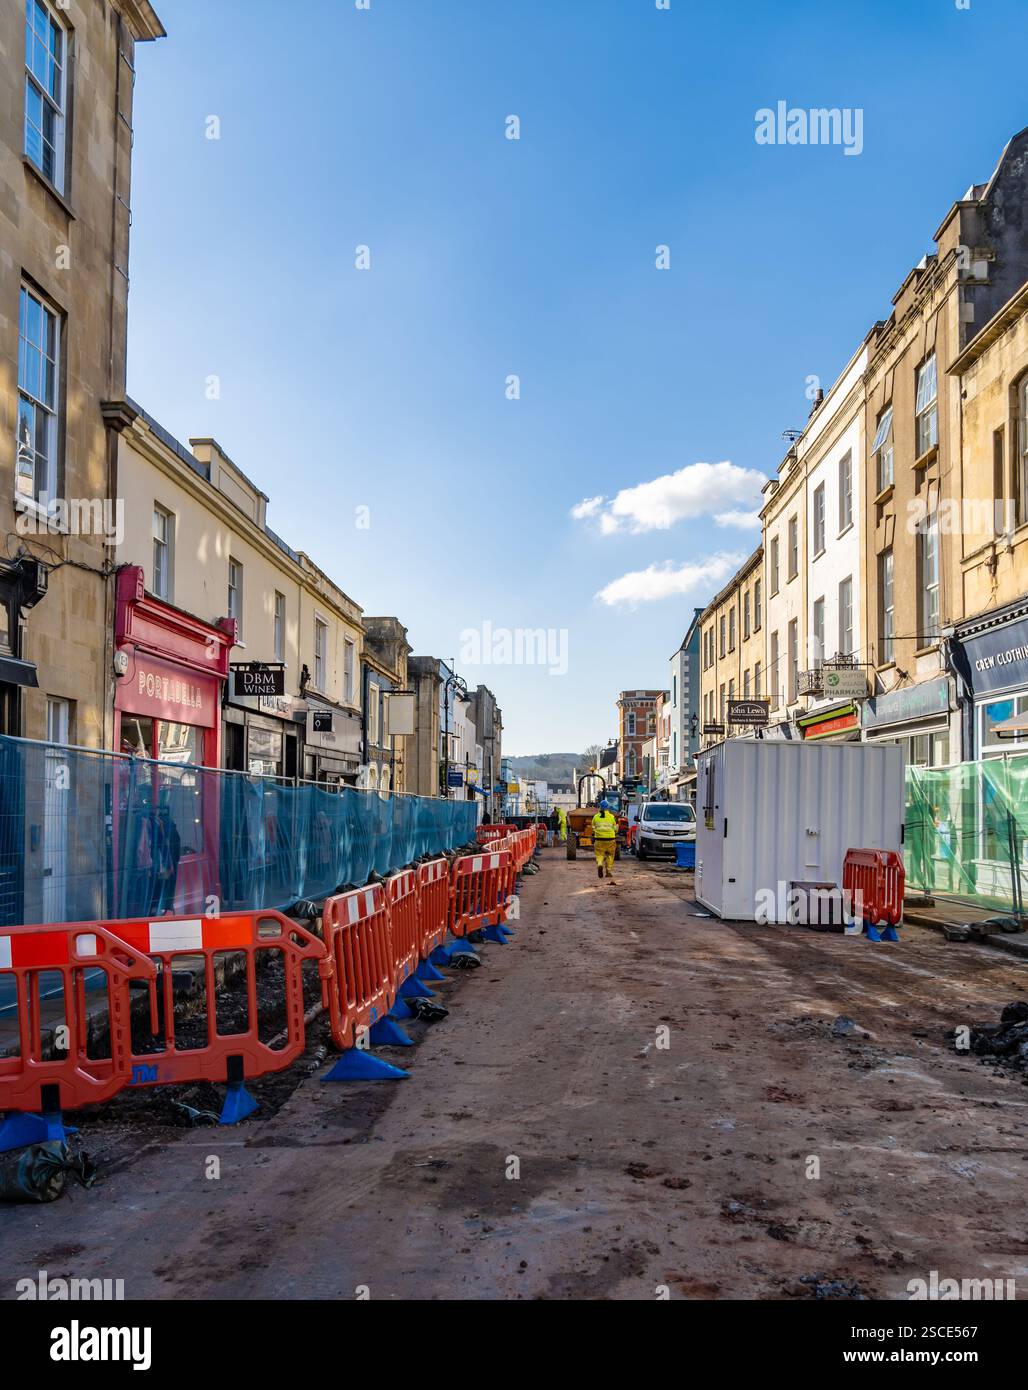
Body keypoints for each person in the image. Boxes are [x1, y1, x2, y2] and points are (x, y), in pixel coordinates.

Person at [591, 798, 619, 883]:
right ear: (607, 808)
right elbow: (615, 829)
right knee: (610, 855)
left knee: (599, 854)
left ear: (600, 807)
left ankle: (600, 864)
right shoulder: (611, 817)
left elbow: (593, 828)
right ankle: (608, 871)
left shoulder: (595, 817)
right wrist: (616, 829)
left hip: (599, 839)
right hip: (610, 839)